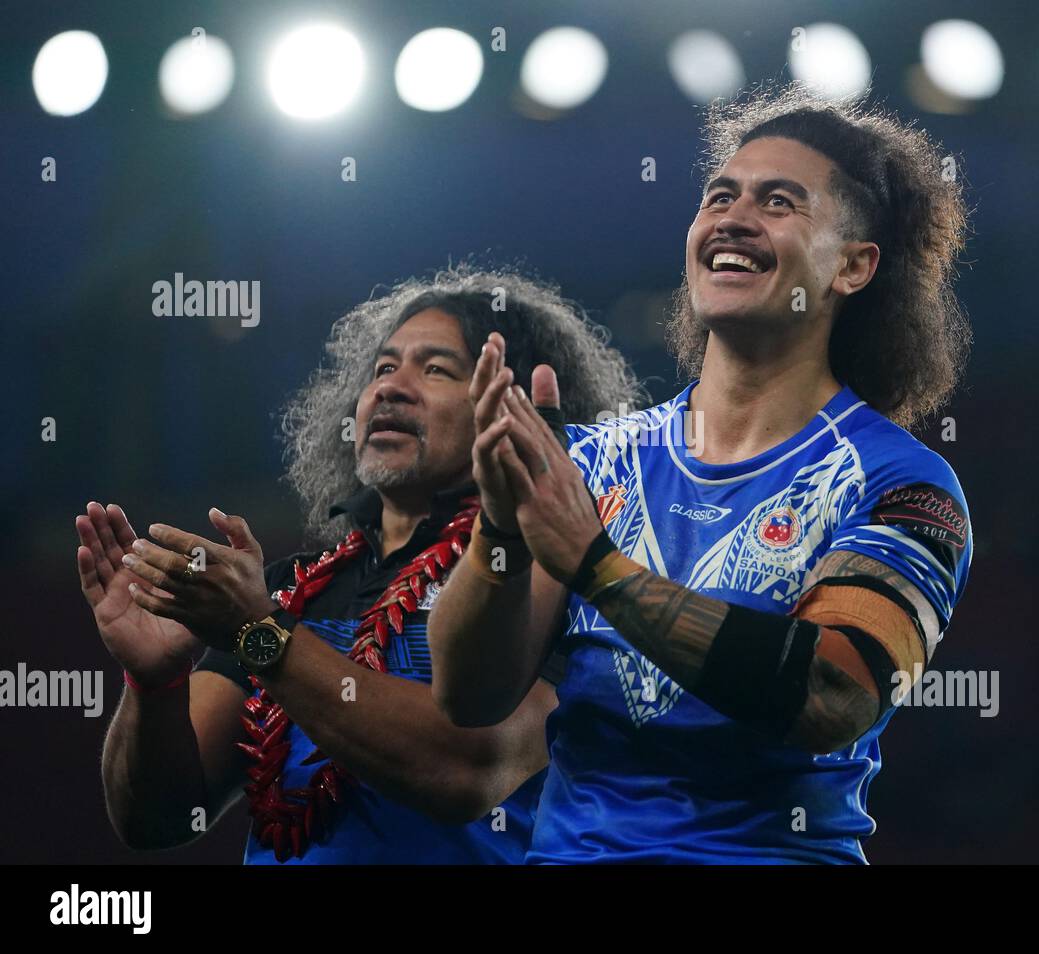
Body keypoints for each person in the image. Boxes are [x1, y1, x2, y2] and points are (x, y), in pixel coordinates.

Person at [429, 86, 974, 863]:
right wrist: (502, 528)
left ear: (852, 266)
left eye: (779, 202)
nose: (733, 217)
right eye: (720, 196)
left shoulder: (901, 483)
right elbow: (468, 700)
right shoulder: (594, 462)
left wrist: (597, 567)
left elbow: (831, 694)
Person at [78, 265, 642, 862]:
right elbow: (157, 819)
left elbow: (467, 768)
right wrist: (154, 684)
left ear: (512, 410)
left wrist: (259, 633)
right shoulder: (286, 590)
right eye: (383, 369)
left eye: (436, 369)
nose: (391, 389)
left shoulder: (540, 569)